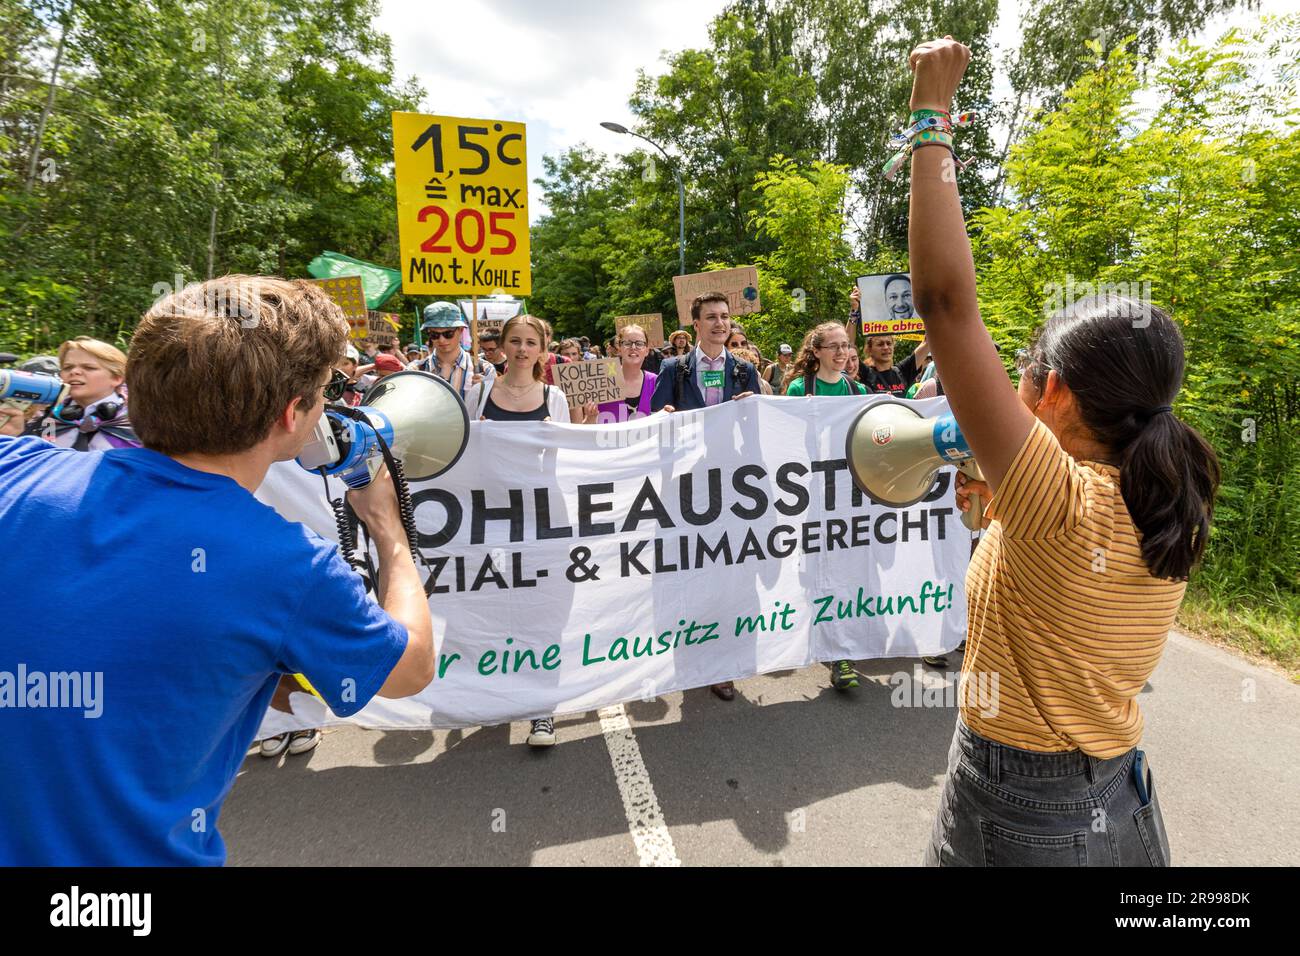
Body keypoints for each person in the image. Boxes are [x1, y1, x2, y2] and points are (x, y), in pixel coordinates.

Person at [905, 37, 1219, 867]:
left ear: (1058, 397)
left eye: (1020, 377)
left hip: (1021, 807)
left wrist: (931, 110)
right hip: (1113, 792)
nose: (1004, 392)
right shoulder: (1165, 486)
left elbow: (943, 302)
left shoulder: (1060, 499)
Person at [0, 276, 435, 865]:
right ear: (291, 415)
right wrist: (390, 533)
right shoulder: (287, 563)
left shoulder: (16, 464)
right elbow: (408, 669)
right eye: (322, 392)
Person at [464, 314, 585, 748]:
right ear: (503, 344)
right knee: (494, 610)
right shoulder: (478, 393)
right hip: (489, 517)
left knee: (543, 612)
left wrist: (581, 428)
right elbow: (460, 452)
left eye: (530, 342)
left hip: (541, 516)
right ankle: (500, 696)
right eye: (514, 341)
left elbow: (559, 459)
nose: (521, 349)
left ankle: (541, 711)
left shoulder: (553, 396)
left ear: (543, 349)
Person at [651, 291, 758, 701]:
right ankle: (687, 653)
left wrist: (756, 406)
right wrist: (664, 419)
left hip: (731, 487)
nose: (719, 323)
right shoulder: (673, 369)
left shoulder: (746, 372)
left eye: (725, 317)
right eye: (711, 317)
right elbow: (654, 422)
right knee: (690, 570)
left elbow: (755, 435)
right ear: (694, 324)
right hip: (685, 487)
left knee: (728, 572)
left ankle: (721, 664)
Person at [24, 337, 141, 450]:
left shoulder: (137, 421)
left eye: (89, 367)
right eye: (68, 367)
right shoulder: (50, 418)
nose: (74, 372)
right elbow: (42, 455)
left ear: (116, 378)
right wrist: (18, 433)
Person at [416, 301, 495, 400]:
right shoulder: (415, 370)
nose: (441, 340)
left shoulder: (485, 370)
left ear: (461, 330)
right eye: (434, 334)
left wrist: (486, 392)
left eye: (448, 333)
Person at [588, 323, 657, 423]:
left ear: (647, 350)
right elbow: (581, 431)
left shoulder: (656, 382)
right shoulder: (600, 381)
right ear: (619, 349)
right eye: (627, 343)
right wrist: (590, 417)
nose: (633, 347)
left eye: (639, 343)